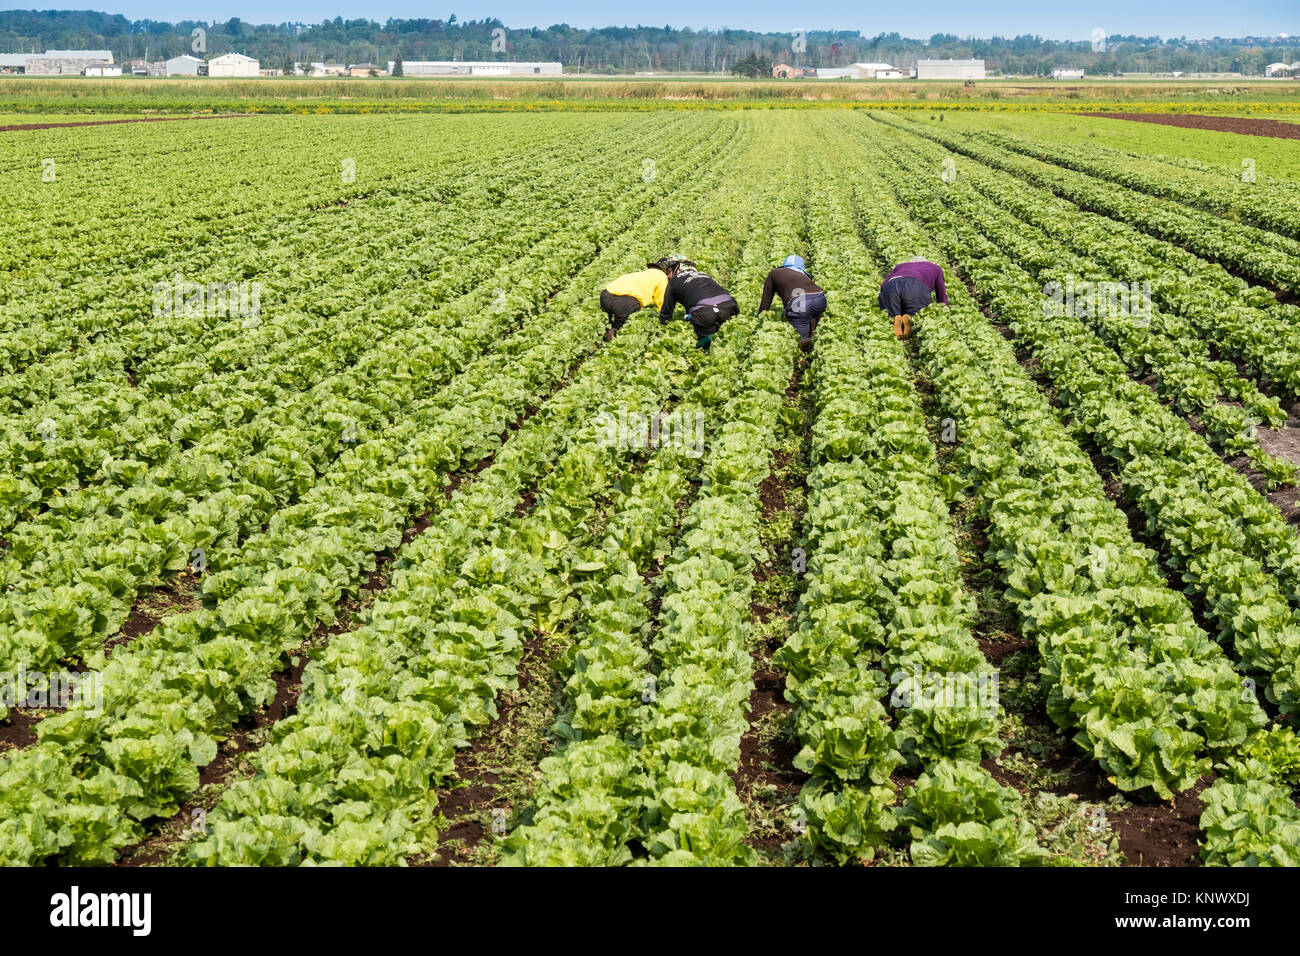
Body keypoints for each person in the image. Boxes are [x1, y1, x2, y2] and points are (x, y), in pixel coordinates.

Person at [658, 255, 738, 350]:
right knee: (728, 340)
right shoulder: (704, 275)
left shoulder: (673, 282)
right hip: (730, 306)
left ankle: (707, 344)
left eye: (669, 271)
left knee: (707, 348)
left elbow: (666, 314)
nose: (668, 276)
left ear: (676, 269)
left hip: (706, 314)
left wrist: (661, 332)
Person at [758, 254, 827, 352]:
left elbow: (766, 299)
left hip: (800, 301)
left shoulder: (774, 273)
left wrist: (761, 317)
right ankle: (815, 349)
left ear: (785, 265)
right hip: (820, 298)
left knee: (799, 339)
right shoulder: (803, 276)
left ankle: (804, 357)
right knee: (813, 332)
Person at [879, 256, 949, 338]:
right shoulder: (935, 268)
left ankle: (896, 316)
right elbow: (941, 291)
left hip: (892, 285)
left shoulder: (901, 266)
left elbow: (883, 285)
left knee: (893, 308)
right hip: (915, 286)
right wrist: (945, 308)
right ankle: (909, 318)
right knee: (915, 312)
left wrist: (884, 300)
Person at [600, 261, 669, 330]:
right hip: (621, 304)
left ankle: (608, 325)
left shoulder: (646, 273)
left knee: (612, 316)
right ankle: (614, 330)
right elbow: (661, 300)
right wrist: (664, 316)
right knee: (622, 324)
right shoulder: (662, 276)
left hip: (605, 296)